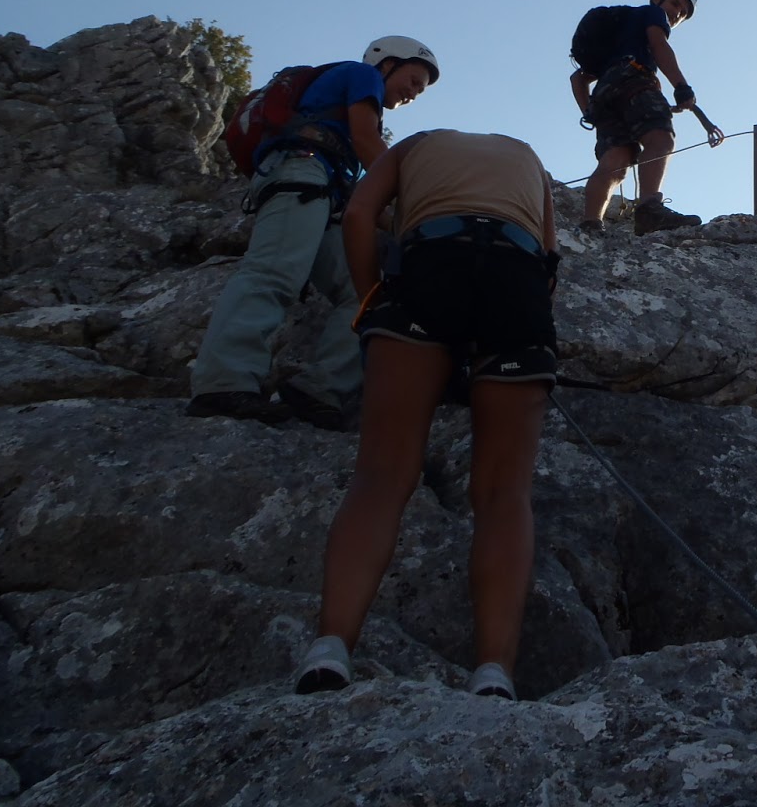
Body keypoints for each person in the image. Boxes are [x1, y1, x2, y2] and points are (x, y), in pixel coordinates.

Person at [293, 128, 559, 701]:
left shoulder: (414, 145)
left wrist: (372, 306)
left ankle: (331, 646)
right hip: (518, 281)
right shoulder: (528, 157)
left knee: (382, 477)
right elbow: (548, 255)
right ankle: (494, 671)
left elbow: (361, 215)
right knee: (504, 493)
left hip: (430, 264)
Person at [187, 36, 439, 427]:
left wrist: (404, 221)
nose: (414, 92)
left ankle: (319, 389)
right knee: (273, 273)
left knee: (367, 292)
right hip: (301, 174)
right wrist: (418, 194)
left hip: (323, 191)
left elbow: (362, 194)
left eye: (420, 90)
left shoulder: (337, 117)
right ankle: (222, 384)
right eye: (413, 79)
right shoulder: (361, 75)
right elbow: (366, 139)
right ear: (387, 63)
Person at [569, 0, 723, 236]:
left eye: (683, 13)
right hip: (636, 79)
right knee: (660, 138)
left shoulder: (619, 35)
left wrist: (590, 113)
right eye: (675, 4)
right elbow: (658, 44)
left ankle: (590, 224)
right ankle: (650, 210)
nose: (677, 13)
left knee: (616, 160)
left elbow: (578, 79)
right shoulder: (651, 14)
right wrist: (681, 86)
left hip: (605, 93)